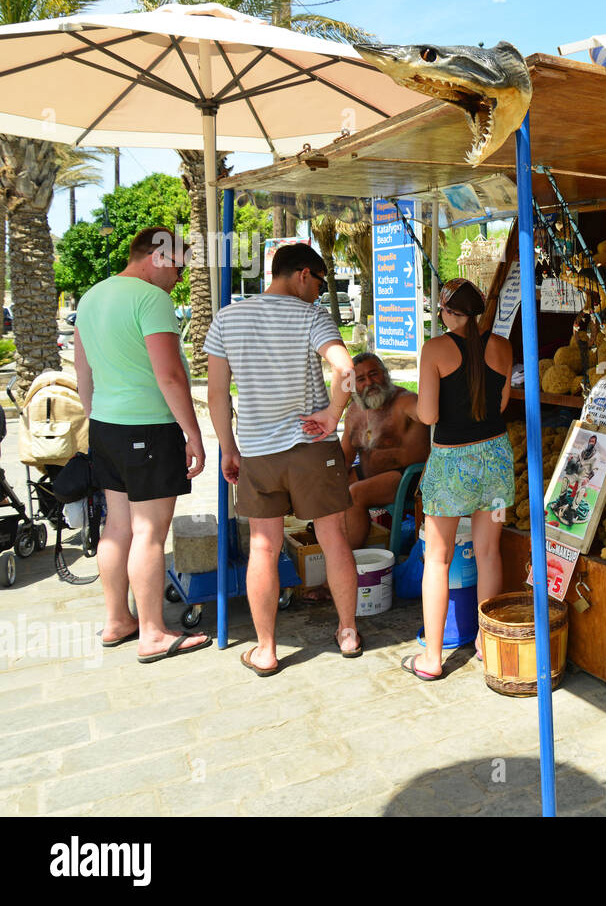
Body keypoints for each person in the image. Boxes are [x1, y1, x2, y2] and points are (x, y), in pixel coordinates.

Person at [205, 243, 360, 676]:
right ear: (303, 275)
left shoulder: (227, 319)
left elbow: (217, 394)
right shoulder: (311, 317)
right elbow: (346, 371)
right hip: (313, 450)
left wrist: (228, 447)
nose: (320, 293)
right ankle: (347, 633)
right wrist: (332, 416)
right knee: (334, 539)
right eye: (320, 283)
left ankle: (268, 649)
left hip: (257, 453)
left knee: (263, 547)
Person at [73, 226, 210, 663]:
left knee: (117, 527)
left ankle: (118, 620)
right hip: (148, 428)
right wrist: (193, 433)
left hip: (107, 427)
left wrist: (99, 416)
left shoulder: (91, 296)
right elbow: (169, 375)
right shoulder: (152, 300)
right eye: (177, 267)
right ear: (157, 257)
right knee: (149, 532)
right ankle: (152, 632)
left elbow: (83, 371)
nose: (179, 278)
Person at [402, 278, 512, 680]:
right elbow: (500, 403)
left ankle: (432, 659)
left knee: (438, 557)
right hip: (496, 460)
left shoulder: (435, 349)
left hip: (451, 464)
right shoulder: (502, 345)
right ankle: (487, 643)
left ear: (449, 312)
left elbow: (429, 416)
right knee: (488, 553)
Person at [335, 352, 430, 561]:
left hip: (410, 478)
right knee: (329, 489)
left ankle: (345, 565)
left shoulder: (404, 401)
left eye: (373, 374)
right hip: (371, 475)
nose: (369, 382)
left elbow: (425, 413)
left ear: (385, 374)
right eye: (361, 379)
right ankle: (329, 555)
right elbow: (344, 459)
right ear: (353, 385)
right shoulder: (354, 412)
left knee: (355, 494)